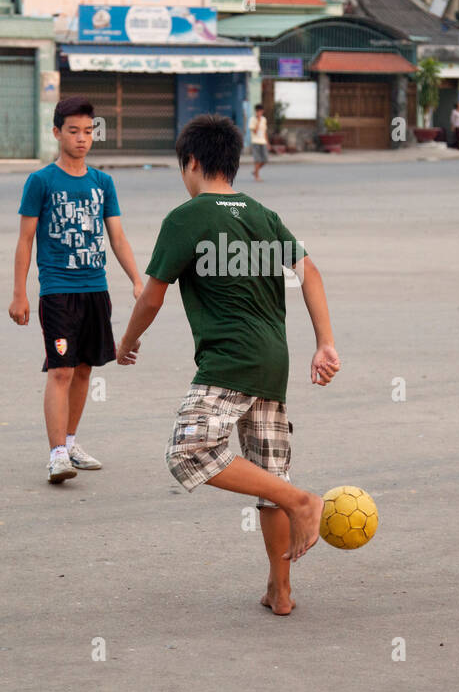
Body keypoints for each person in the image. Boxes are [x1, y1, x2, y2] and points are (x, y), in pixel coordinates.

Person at [116, 114, 340, 614]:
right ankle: (280, 592)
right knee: (268, 478)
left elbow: (152, 297)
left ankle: (304, 501)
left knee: (188, 452)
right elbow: (312, 273)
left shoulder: (187, 217)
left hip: (230, 361)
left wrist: (127, 340)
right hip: (273, 362)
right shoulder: (262, 214)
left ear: (192, 163)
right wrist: (324, 342)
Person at [9, 96, 145, 484]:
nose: (82, 138)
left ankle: (69, 443)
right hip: (57, 290)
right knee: (61, 370)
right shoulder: (41, 181)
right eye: (74, 131)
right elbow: (25, 240)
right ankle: (55, 455)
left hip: (95, 289)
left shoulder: (103, 182)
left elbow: (116, 236)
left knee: (85, 370)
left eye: (88, 131)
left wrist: (137, 279)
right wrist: (19, 293)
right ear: (57, 133)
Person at [248, 103, 269, 181]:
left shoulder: (264, 119)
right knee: (257, 160)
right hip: (255, 141)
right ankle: (257, 176)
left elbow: (264, 132)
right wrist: (258, 121)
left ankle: (255, 171)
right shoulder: (252, 119)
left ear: (262, 111)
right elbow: (255, 131)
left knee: (265, 160)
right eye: (257, 111)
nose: (259, 112)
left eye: (260, 111)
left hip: (263, 142)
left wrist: (267, 143)